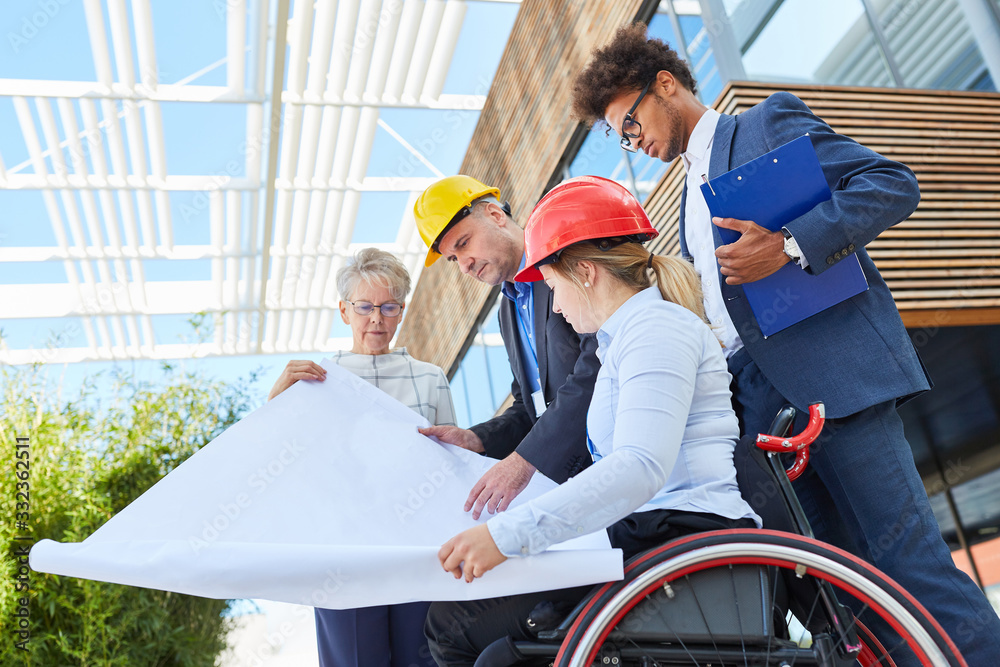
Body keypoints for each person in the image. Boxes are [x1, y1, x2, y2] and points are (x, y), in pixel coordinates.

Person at [570, 23, 1000, 663]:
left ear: (665, 85)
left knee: (908, 563)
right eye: (619, 138)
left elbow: (890, 184)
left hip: (833, 385)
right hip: (761, 406)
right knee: (845, 591)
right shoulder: (684, 191)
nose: (632, 143)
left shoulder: (764, 126)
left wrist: (791, 244)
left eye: (629, 125)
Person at [423, 176, 761, 665]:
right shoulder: (623, 339)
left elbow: (639, 465)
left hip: (676, 530)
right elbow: (536, 407)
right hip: (643, 527)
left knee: (467, 632)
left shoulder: (656, 329)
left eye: (554, 286)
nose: (554, 304)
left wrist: (506, 534)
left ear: (585, 273)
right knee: (471, 632)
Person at [267, 247, 455, 667]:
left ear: (402, 310)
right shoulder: (315, 380)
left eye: (389, 307)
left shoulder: (430, 379)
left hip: (417, 545)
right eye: (365, 306)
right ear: (344, 310)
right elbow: (279, 464)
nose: (377, 318)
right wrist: (277, 402)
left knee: (422, 658)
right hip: (342, 548)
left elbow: (453, 466)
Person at [412, 176, 599, 519]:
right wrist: (475, 439)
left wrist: (526, 460)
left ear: (495, 215)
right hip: (576, 485)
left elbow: (598, 364)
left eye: (464, 243)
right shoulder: (507, 311)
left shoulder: (565, 258)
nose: (465, 264)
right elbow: (529, 408)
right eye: (453, 259)